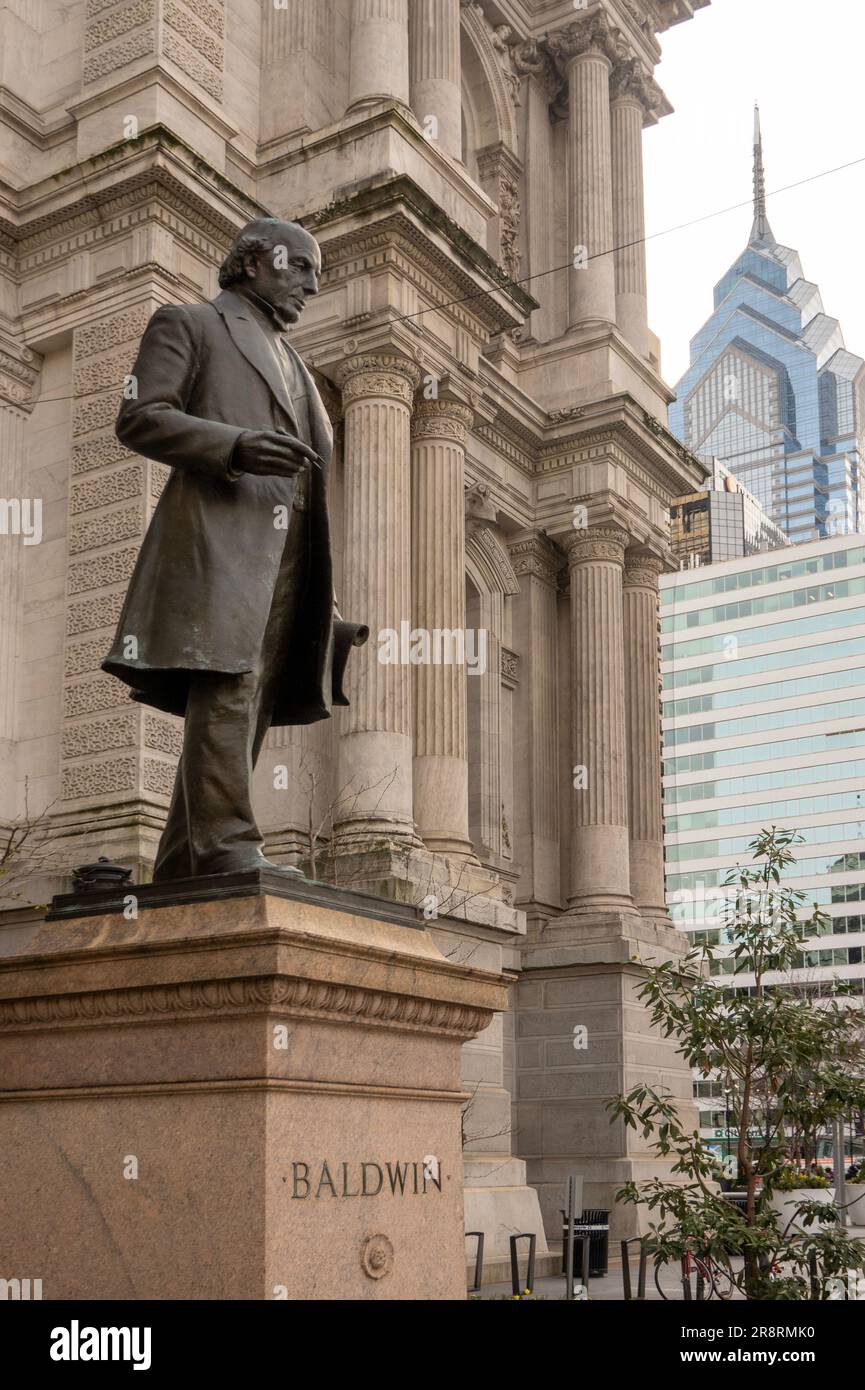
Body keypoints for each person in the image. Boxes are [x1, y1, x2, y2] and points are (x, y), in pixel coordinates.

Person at [103, 218, 367, 881]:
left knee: (252, 697)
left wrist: (321, 595)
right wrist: (232, 445)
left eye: (316, 271)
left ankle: (181, 863)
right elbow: (139, 417)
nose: (312, 283)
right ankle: (224, 848)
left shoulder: (298, 366)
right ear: (253, 262)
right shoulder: (188, 323)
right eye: (300, 266)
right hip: (216, 542)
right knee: (227, 682)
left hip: (286, 556)